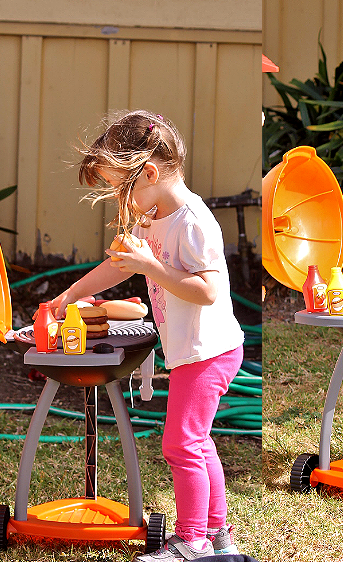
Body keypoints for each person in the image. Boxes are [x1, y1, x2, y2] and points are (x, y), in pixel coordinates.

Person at [46, 110, 246, 559]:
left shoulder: (194, 222)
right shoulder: (152, 217)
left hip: (208, 352)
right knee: (197, 442)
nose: (122, 200)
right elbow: (118, 266)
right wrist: (72, 293)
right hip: (193, 351)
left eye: (123, 188)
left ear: (150, 174)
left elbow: (208, 291)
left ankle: (191, 540)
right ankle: (216, 533)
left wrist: (152, 267)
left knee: (181, 444)